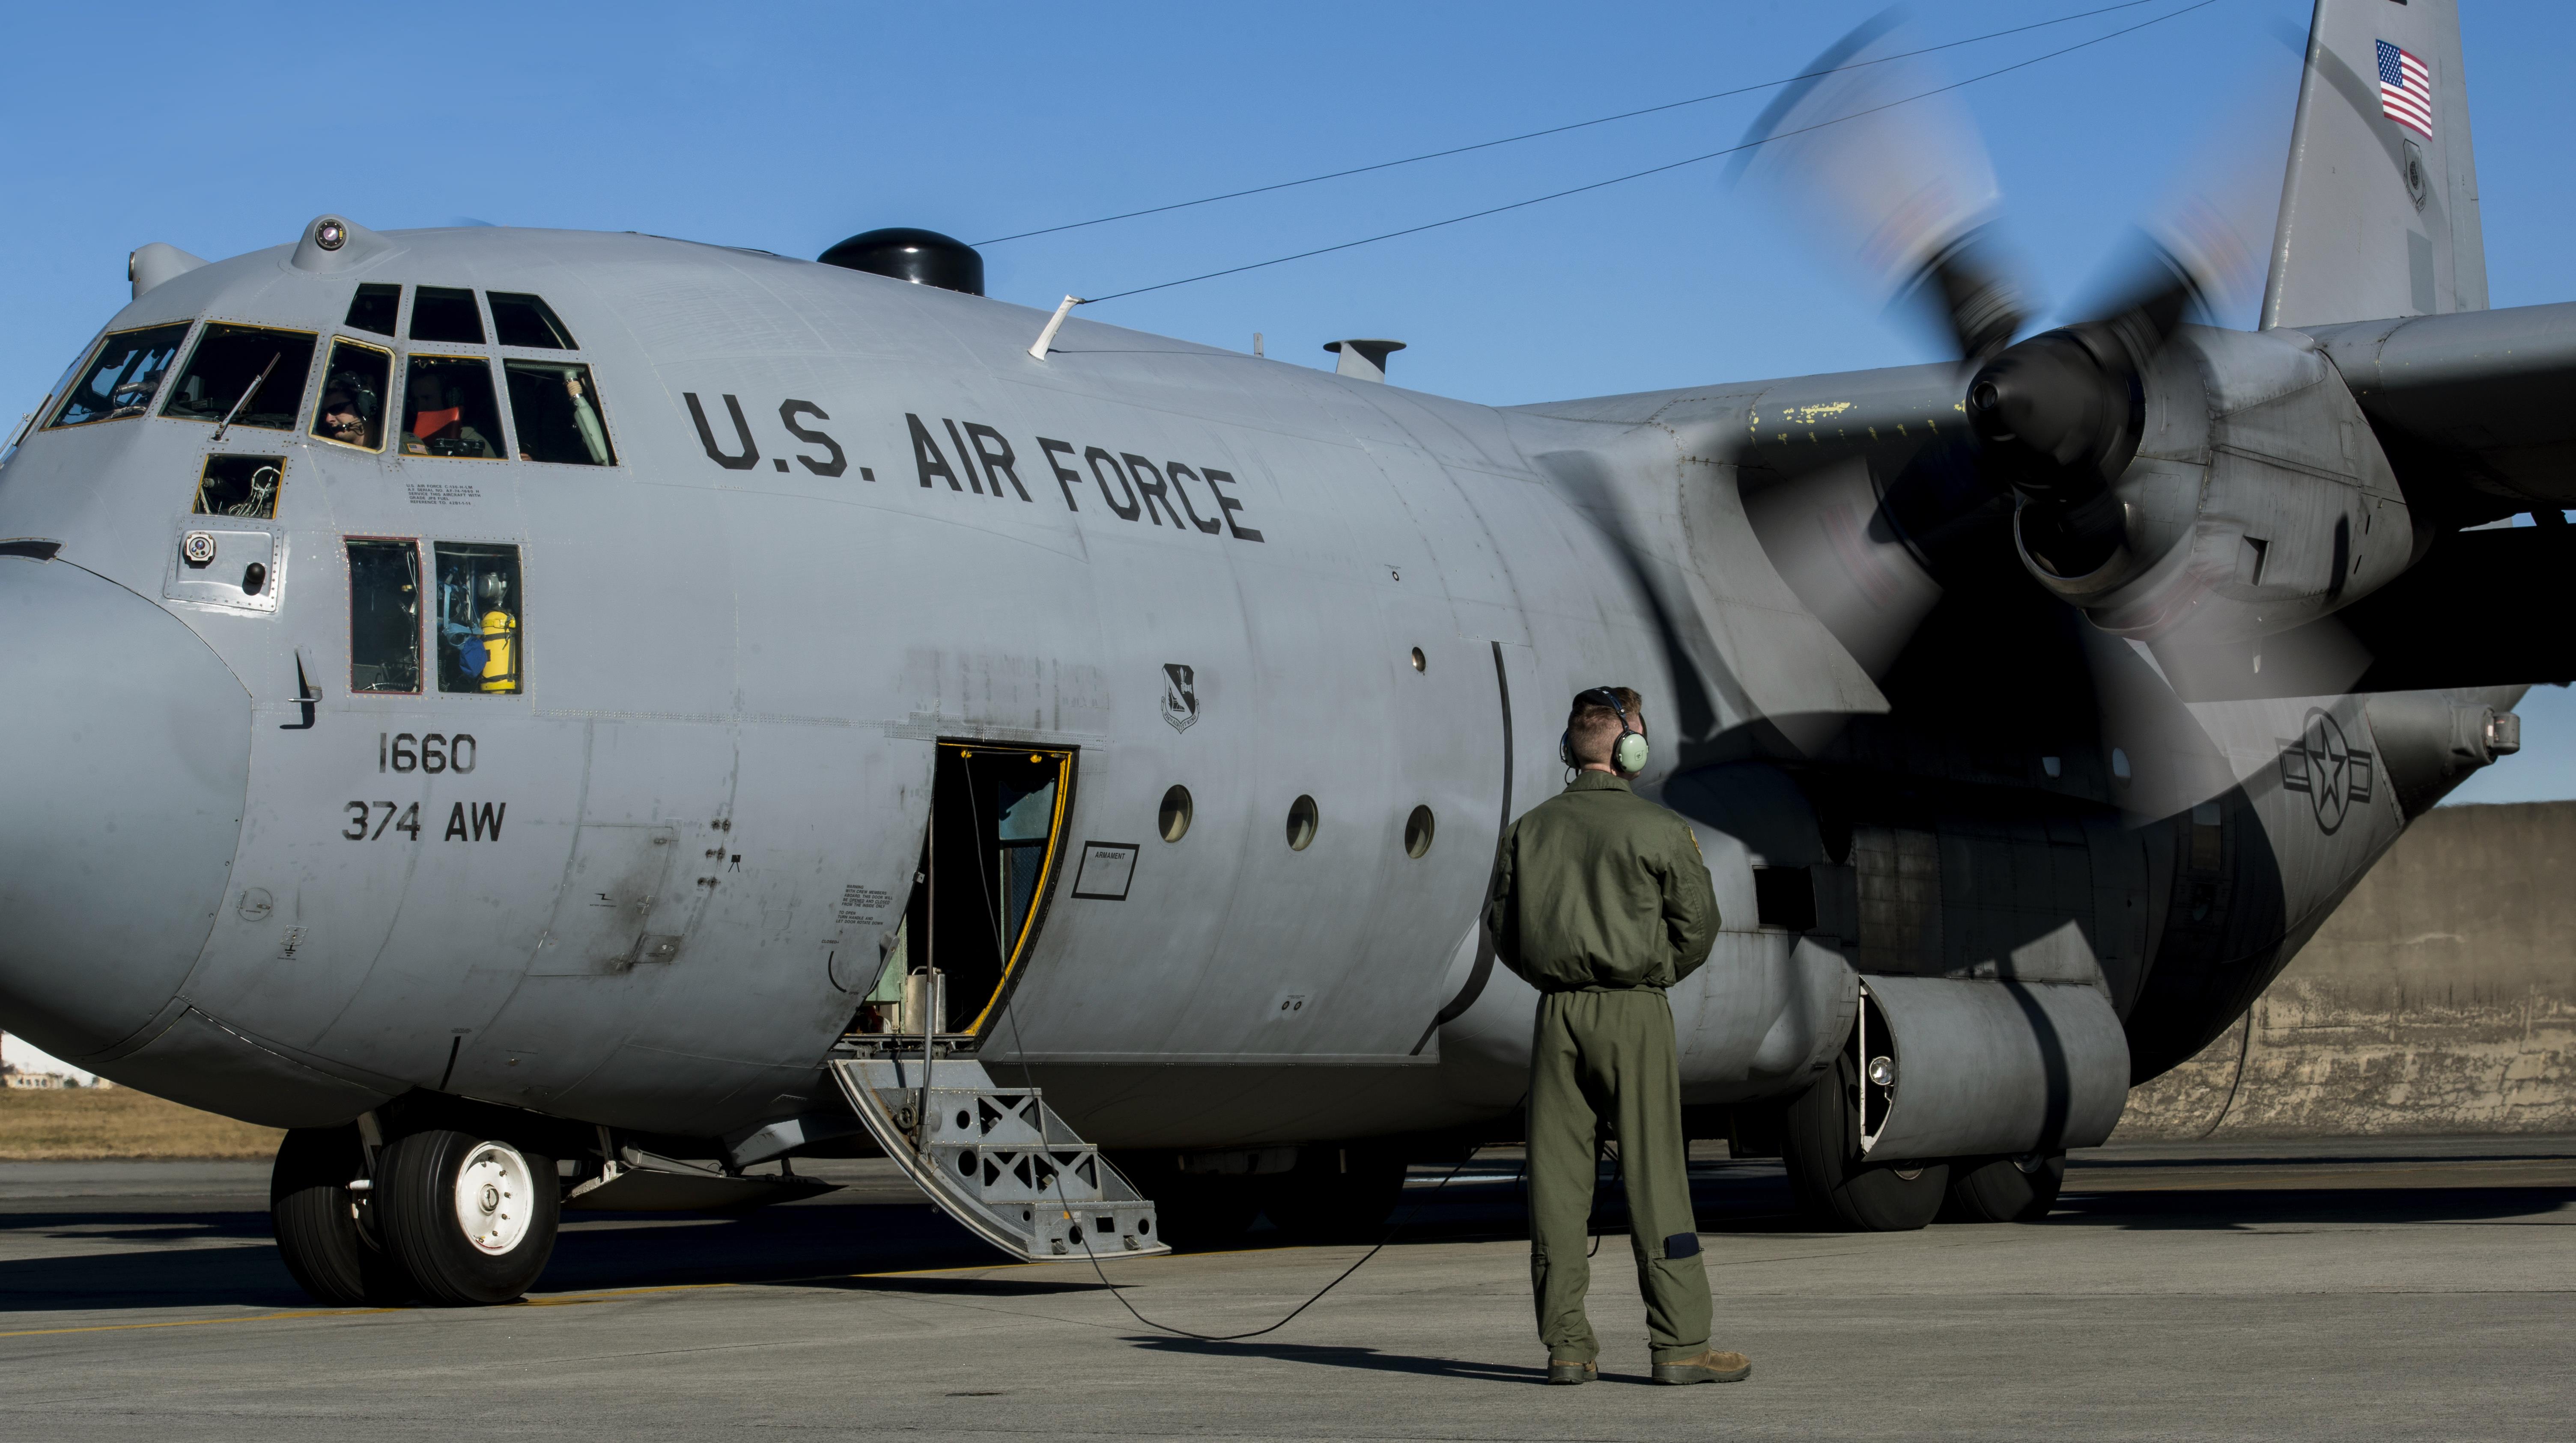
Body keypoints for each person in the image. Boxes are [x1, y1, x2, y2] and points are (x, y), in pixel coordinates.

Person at [1482, 685, 1744, 1386]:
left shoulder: (1529, 831)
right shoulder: (1659, 830)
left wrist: (1552, 975)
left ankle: (1567, 1347)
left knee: (1558, 1188)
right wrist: (1654, 970)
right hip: (1634, 1012)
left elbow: (1501, 930)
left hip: (1558, 1014)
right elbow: (1700, 928)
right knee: (1656, 1177)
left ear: (1573, 749)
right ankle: (1680, 1345)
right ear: (1632, 748)